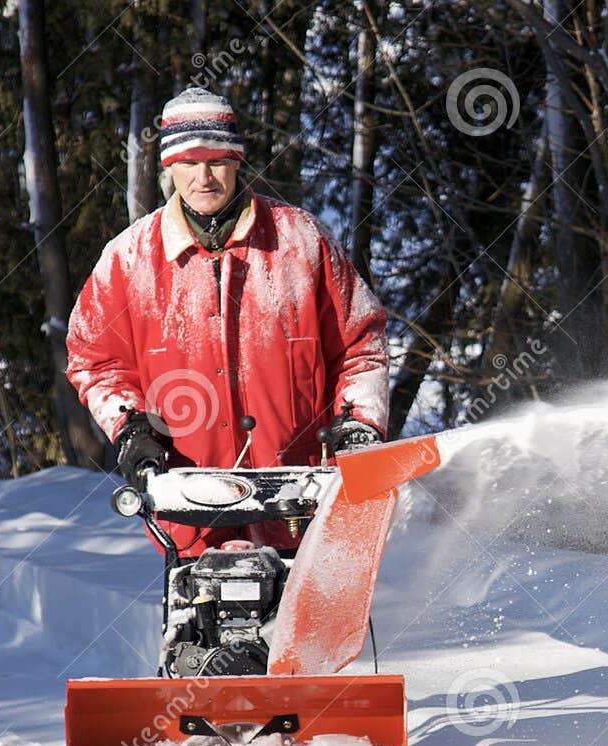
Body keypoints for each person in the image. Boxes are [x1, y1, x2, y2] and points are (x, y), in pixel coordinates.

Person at [66, 87, 389, 555]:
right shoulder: (129, 258)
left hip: (300, 501)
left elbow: (360, 343)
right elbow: (95, 361)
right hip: (190, 503)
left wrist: (358, 423)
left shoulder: (301, 241)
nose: (204, 177)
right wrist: (131, 427)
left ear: (238, 161)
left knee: (309, 630)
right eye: (189, 162)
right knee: (197, 627)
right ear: (168, 166)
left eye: (217, 160)